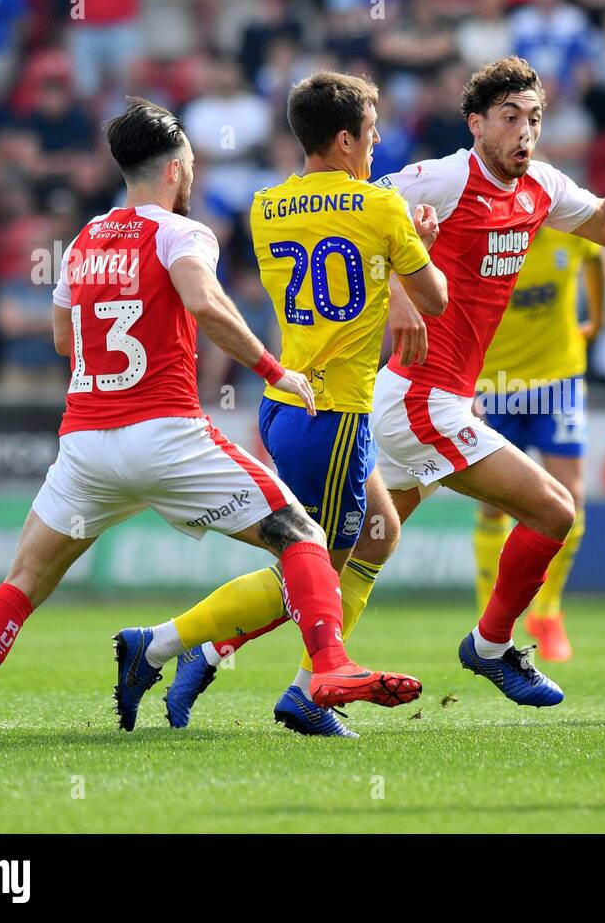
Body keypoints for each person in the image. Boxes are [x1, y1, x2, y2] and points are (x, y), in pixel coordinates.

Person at [148, 56, 605, 712]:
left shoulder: (543, 189)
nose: (524, 131)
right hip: (419, 399)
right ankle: (491, 646)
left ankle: (218, 656)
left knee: (347, 555)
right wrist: (399, 294)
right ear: (476, 123)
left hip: (417, 399)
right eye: (509, 118)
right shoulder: (438, 179)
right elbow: (353, 216)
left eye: (534, 119)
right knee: (555, 510)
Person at [0, 98, 421, 749]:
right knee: (303, 536)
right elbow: (205, 302)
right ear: (175, 169)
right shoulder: (181, 234)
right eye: (191, 165)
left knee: (21, 583)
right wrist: (274, 370)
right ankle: (328, 668)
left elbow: (63, 338)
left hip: (85, 448)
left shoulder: (83, 242)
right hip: (166, 436)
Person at [160, 72, 447, 739]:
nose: (376, 148)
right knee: (314, 565)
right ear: (345, 140)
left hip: (284, 400)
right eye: (372, 136)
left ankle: (296, 688)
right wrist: (417, 249)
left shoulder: (265, 206)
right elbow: (432, 299)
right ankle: (175, 646)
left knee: (379, 529)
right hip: (336, 412)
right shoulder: (381, 208)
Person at [471, 224, 605, 662]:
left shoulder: (569, 224)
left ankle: (547, 612)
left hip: (558, 380)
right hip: (494, 384)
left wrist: (600, 318)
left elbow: (599, 256)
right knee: (494, 505)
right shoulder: (488, 230)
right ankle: (490, 617)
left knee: (572, 499)